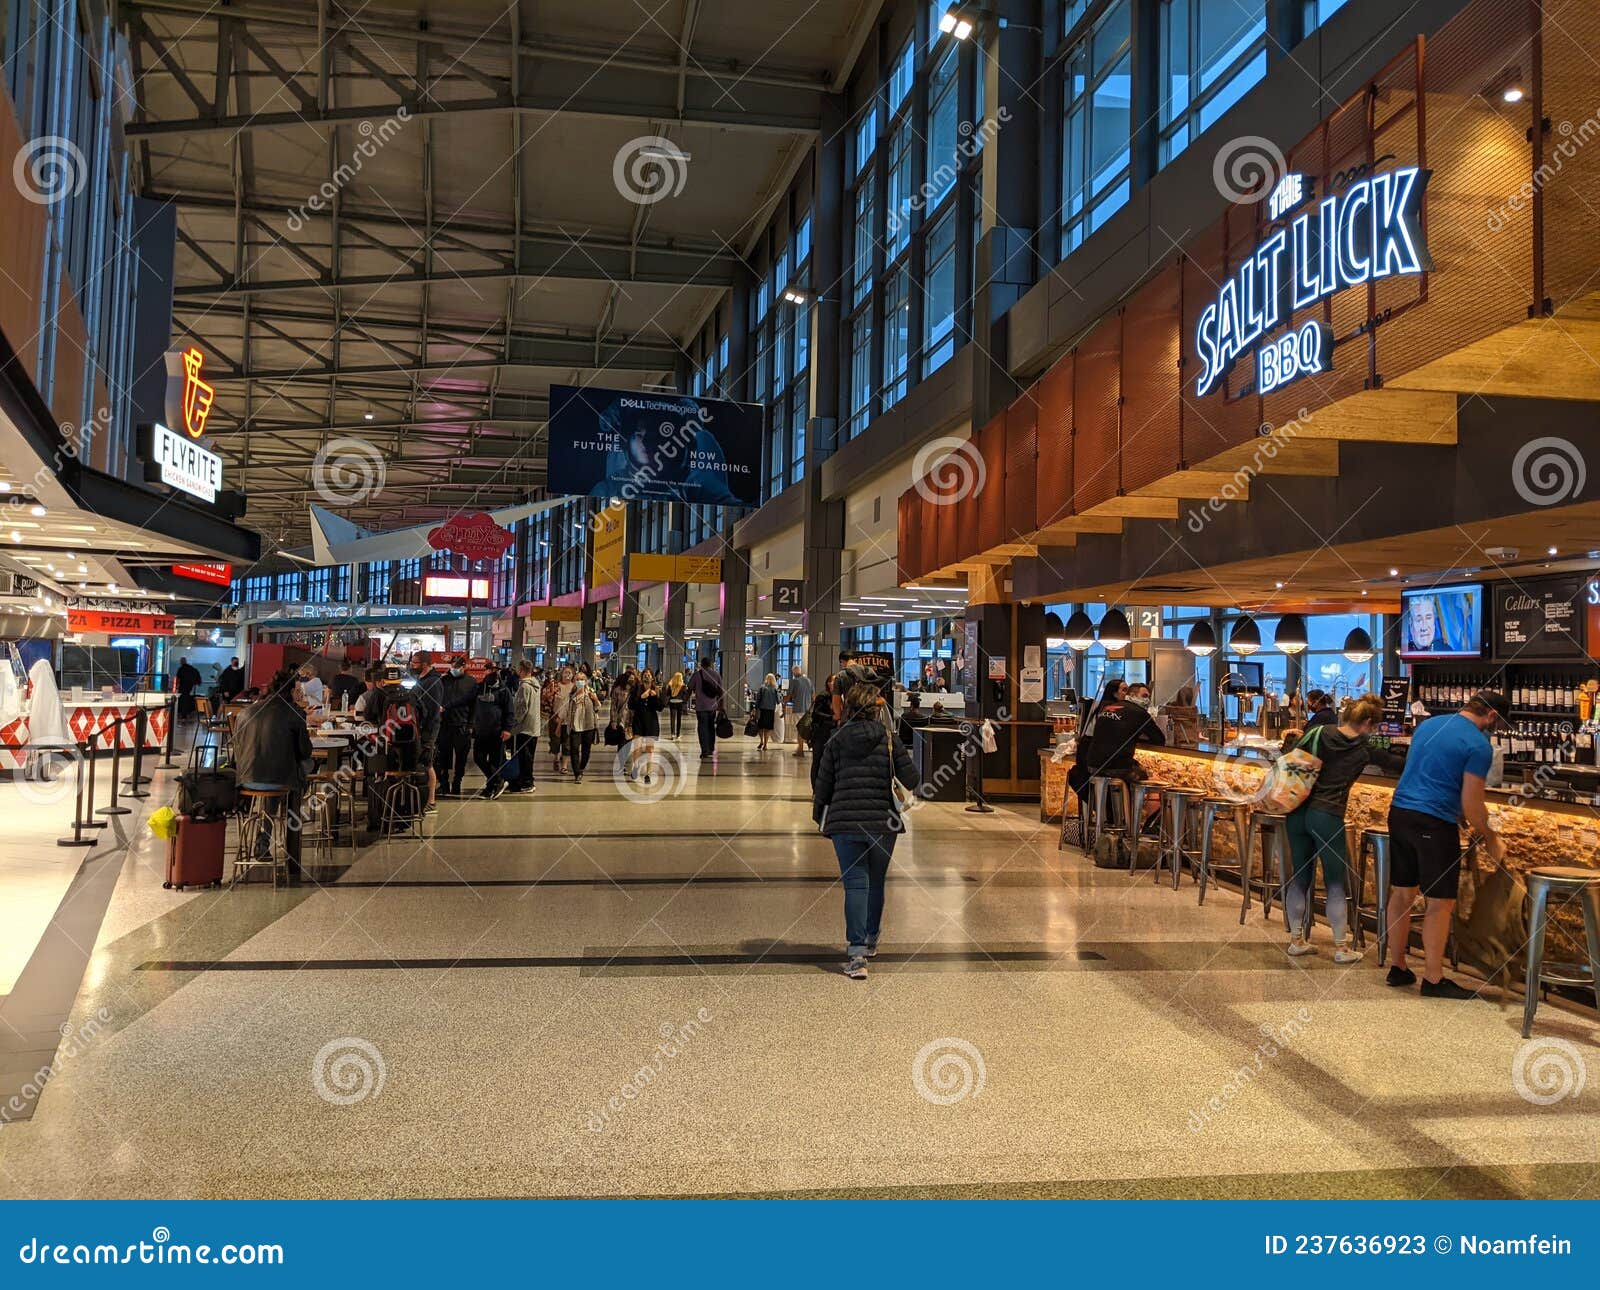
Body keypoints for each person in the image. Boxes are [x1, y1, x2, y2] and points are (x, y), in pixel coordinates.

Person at [1384, 689, 1509, 998]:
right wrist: (1491, 836)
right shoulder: (1479, 745)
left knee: (1402, 893)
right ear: (1492, 716)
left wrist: (1461, 815)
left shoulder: (1429, 724)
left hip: (1399, 813)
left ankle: (1397, 967)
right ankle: (1434, 979)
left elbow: (1430, 773)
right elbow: (1472, 803)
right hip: (1433, 823)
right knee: (1440, 903)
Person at [1281, 694, 1407, 962]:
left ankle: (1296, 940)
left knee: (1300, 877)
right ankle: (1341, 947)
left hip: (1296, 811)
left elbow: (1287, 756)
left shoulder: (1316, 733)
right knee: (1335, 880)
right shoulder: (1363, 749)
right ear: (1368, 722)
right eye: (1374, 727)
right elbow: (1395, 764)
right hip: (1326, 815)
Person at [812, 681, 921, 980]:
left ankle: (857, 954)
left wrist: (818, 817)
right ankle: (872, 939)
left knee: (856, 885)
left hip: (845, 822)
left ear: (847, 707)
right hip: (882, 822)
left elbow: (822, 786)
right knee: (876, 882)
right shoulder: (888, 738)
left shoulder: (836, 739)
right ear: (875, 709)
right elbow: (912, 778)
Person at [230, 668, 313, 880]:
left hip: (246, 780)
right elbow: (305, 751)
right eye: (297, 691)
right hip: (279, 780)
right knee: (306, 766)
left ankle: (262, 842)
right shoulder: (294, 713)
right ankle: (293, 814)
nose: (298, 695)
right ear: (291, 691)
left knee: (272, 782)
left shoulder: (247, 712)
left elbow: (237, 749)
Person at [1068, 678, 1166, 822]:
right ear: (1133, 695)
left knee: (1132, 774)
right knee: (1150, 777)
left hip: (1093, 766)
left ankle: (1114, 818)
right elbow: (1159, 740)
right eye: (1145, 696)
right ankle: (1137, 824)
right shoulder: (1140, 713)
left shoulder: (1106, 709)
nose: (1148, 700)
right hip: (1117, 768)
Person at [436, 655, 478, 798]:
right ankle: (444, 783)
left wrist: (471, 724)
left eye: (457, 666)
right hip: (444, 724)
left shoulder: (471, 682)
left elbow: (474, 705)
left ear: (463, 667)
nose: (454, 668)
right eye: (452, 665)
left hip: (462, 724)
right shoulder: (443, 680)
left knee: (461, 757)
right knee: (442, 756)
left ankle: (457, 782)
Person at [471, 672, 513, 799]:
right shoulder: (479, 688)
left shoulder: (504, 691)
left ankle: (491, 787)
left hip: (497, 731)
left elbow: (509, 711)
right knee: (478, 758)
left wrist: (507, 729)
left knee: (495, 761)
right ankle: (498, 780)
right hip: (481, 731)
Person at [508, 660, 542, 794]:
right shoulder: (535, 684)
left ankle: (527, 783)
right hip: (533, 727)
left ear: (522, 670)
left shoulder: (524, 687)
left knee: (524, 757)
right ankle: (526, 781)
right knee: (528, 756)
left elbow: (521, 708)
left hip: (525, 727)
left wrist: (514, 723)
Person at [561, 675, 602, 782]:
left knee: (586, 751)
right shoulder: (571, 695)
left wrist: (596, 699)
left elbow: (598, 708)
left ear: (586, 681)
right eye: (578, 679)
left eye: (582, 679)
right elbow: (565, 710)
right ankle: (576, 773)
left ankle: (581, 767)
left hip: (588, 726)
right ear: (574, 681)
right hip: (575, 726)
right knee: (574, 749)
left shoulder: (590, 692)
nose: (580, 681)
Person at [626, 669, 664, 782]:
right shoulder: (636, 689)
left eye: (649, 675)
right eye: (645, 675)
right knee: (637, 746)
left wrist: (655, 697)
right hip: (638, 720)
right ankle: (636, 766)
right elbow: (631, 705)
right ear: (642, 677)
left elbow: (661, 707)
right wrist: (641, 697)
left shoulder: (656, 689)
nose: (647, 677)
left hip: (651, 722)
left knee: (650, 749)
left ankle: (648, 773)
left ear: (653, 677)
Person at [688, 656, 725, 760]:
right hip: (712, 707)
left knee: (702, 728)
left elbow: (689, 688)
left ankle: (704, 750)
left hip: (700, 707)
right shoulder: (716, 675)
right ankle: (711, 749)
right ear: (711, 664)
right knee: (710, 728)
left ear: (702, 664)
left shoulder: (696, 675)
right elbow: (721, 691)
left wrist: (684, 701)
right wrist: (721, 706)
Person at [806, 676, 837, 789]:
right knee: (817, 761)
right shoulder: (823, 696)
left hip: (831, 733)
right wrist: (831, 717)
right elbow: (816, 714)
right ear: (828, 683)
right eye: (834, 681)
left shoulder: (838, 697)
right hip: (820, 734)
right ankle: (815, 789)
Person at [788, 665, 814, 756]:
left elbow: (789, 694)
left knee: (799, 730)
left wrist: (784, 703)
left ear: (794, 672)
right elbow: (813, 695)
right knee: (805, 729)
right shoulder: (808, 680)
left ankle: (801, 750)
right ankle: (801, 748)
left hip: (798, 709)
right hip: (807, 709)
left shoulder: (794, 681)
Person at [754, 673, 780, 751]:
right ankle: (765, 744)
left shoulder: (762, 688)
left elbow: (758, 699)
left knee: (760, 727)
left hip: (762, 710)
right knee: (768, 728)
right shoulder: (775, 689)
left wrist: (755, 708)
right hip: (770, 711)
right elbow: (778, 701)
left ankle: (761, 741)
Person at [665, 671, 688, 739]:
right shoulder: (683, 686)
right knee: (679, 719)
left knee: (672, 718)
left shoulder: (670, 685)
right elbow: (685, 694)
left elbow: (667, 694)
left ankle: (672, 734)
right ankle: (678, 734)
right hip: (680, 703)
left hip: (672, 702)